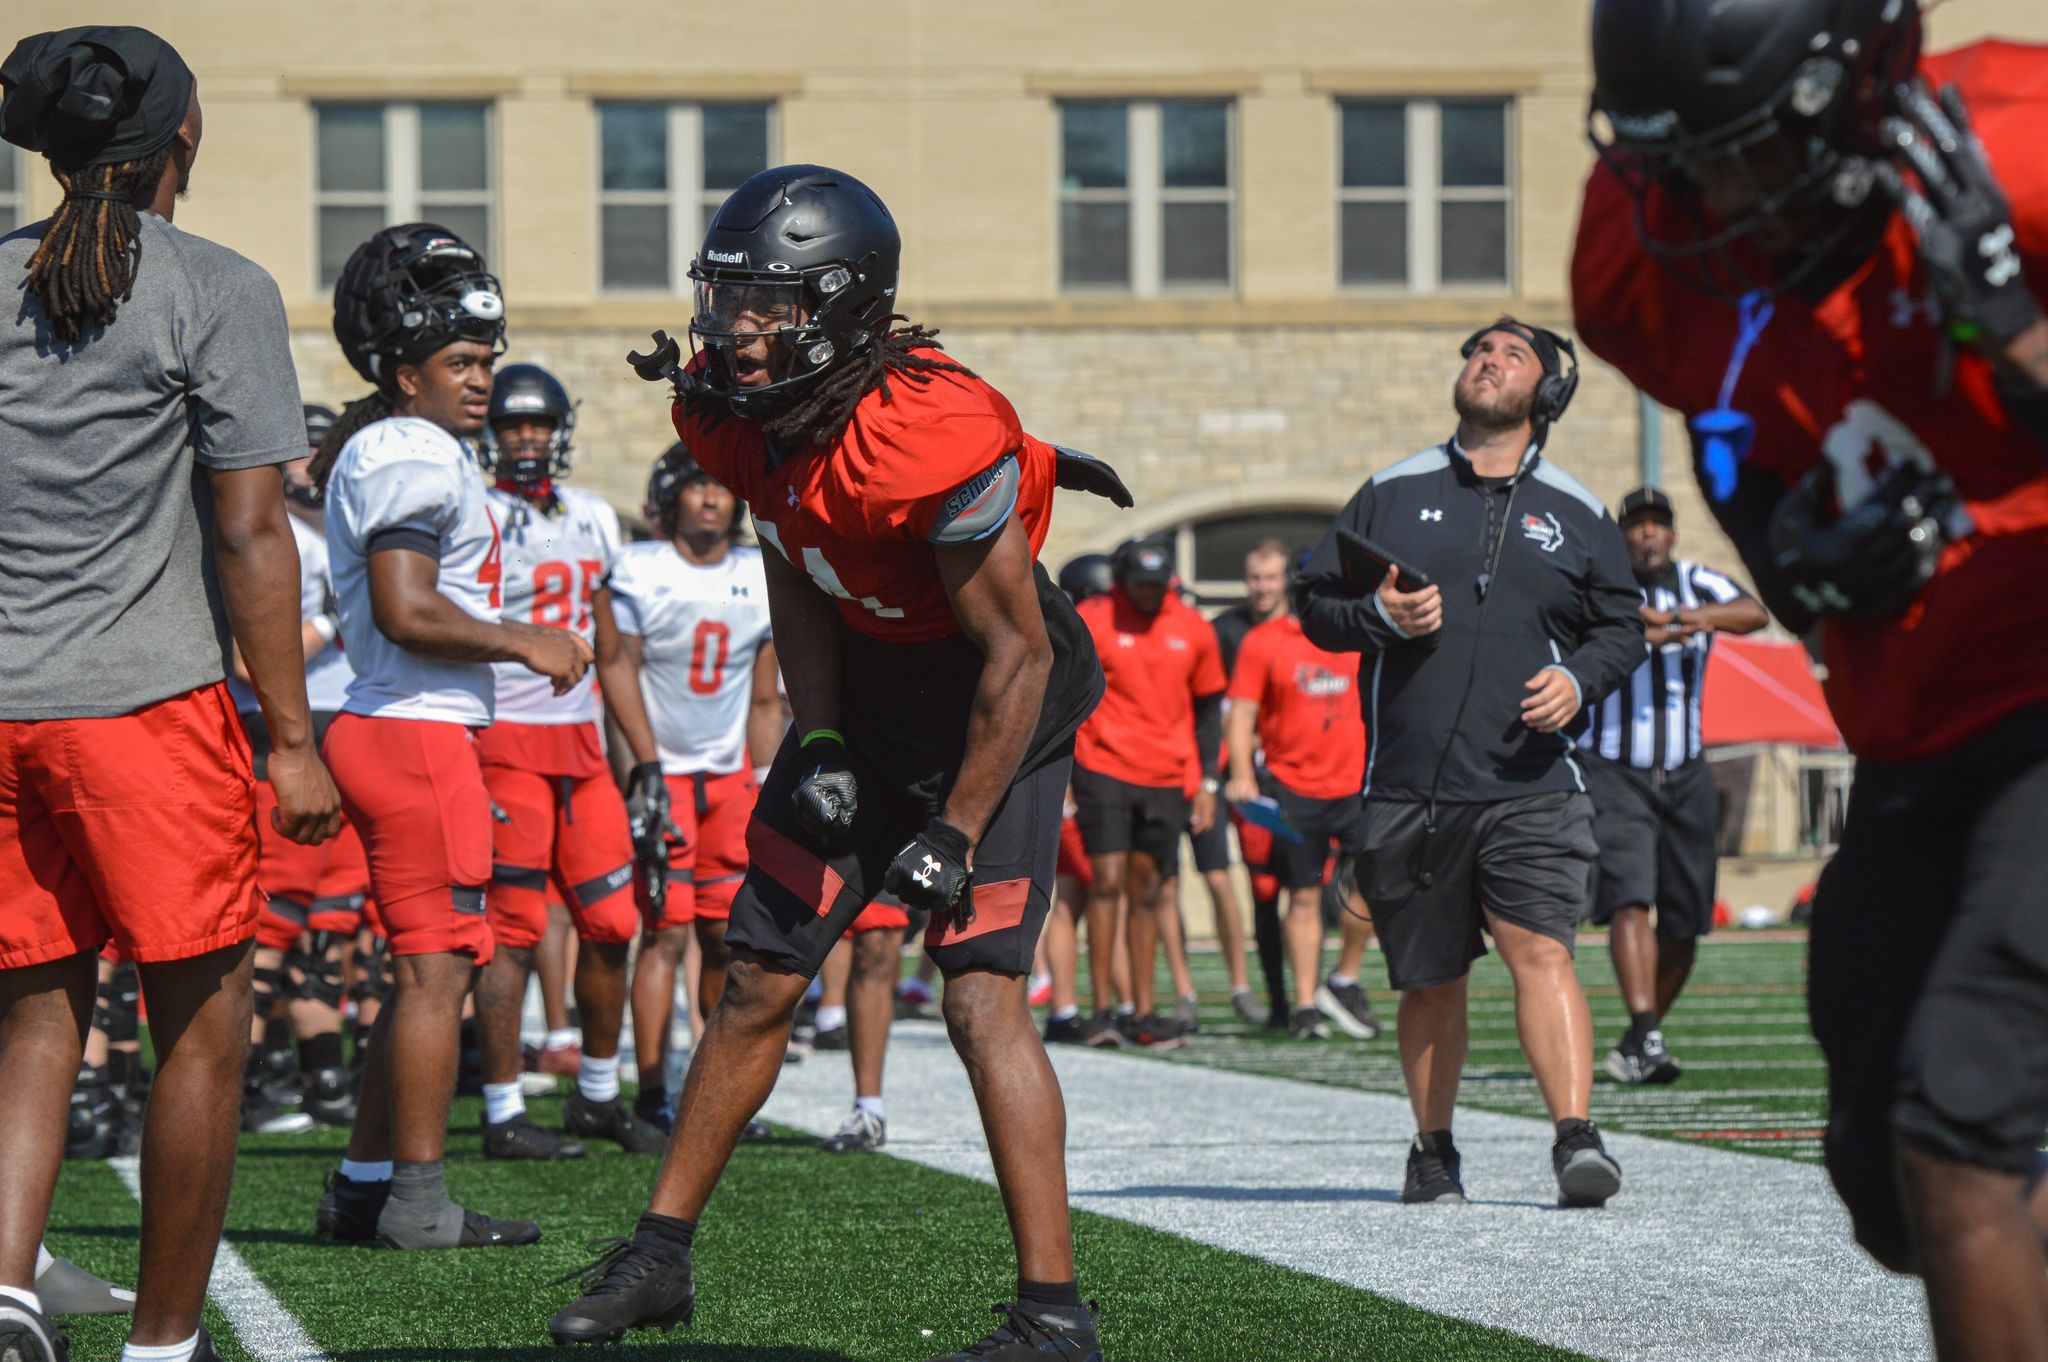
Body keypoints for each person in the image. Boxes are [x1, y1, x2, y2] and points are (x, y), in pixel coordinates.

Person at [547, 164, 1120, 1360]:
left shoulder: (929, 433)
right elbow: (795, 570)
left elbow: (1013, 658)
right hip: (863, 699)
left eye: (773, 306)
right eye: (730, 300)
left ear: (846, 307)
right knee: (757, 974)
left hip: (994, 715)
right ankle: (656, 1260)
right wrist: (813, 733)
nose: (738, 332)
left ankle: (1054, 1316)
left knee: (975, 996)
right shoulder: (730, 410)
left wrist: (951, 836)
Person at [1576, 3, 2048, 1353]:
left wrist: (2017, 341)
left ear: (1858, 87)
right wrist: (1801, 557)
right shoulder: (1646, 242)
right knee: (1886, 1183)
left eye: (1750, 154)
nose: (1716, 203)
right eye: (1688, 165)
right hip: (1921, 724)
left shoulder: (2021, 152)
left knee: (1957, 1128)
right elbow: (1751, 451)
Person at [0, 27, 342, 1362]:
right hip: (145, 706)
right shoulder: (217, 286)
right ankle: (163, 1341)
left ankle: (8, 1291)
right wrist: (295, 740)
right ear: (181, 137)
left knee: (34, 1018)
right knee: (203, 1025)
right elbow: (255, 534)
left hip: (3, 707)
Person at [1294, 318, 1644, 1209]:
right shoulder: (1391, 490)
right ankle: (1433, 1151)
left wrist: (1578, 678)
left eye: (1511, 355)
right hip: (1409, 789)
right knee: (1430, 978)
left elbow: (1623, 630)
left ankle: (1576, 1140)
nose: (1488, 362)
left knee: (1542, 949)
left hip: (1531, 781)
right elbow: (1315, 602)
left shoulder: (1578, 510)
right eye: (1479, 351)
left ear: (1547, 396)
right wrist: (1377, 618)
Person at [309, 223, 591, 1250]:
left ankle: (365, 1184)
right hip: (413, 735)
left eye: (485, 361)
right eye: (461, 363)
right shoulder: (412, 449)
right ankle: (417, 1203)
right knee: (439, 971)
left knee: (422, 970)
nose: (482, 381)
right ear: (404, 371)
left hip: (403, 728)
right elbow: (403, 604)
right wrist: (524, 639)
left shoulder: (398, 444)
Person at [469, 362, 661, 1162]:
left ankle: (595, 1093)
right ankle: (504, 1106)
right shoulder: (472, 508)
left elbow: (612, 651)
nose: (526, 439)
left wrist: (644, 757)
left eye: (538, 426)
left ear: (560, 432)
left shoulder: (591, 517)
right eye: (513, 426)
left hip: (581, 745)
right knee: (512, 930)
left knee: (615, 922)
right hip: (505, 737)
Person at [596, 443, 780, 1134]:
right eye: (697, 485)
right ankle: (651, 1093)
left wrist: (765, 784)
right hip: (664, 770)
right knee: (663, 935)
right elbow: (619, 677)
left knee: (726, 938)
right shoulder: (640, 569)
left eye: (721, 487)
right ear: (670, 495)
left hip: (728, 774)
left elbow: (765, 702)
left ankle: (711, 1088)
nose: (711, 498)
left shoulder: (758, 574)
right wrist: (641, 773)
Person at [1578, 488, 1766, 1084]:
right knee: (1630, 897)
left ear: (1674, 533)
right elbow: (1585, 626)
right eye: (1636, 526)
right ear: (1621, 535)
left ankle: (1641, 1035)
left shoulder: (1697, 582)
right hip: (1613, 767)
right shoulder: (1601, 584)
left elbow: (1754, 614)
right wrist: (1649, 630)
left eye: (1658, 524)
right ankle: (1646, 1029)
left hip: (1686, 770)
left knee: (1686, 920)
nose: (1648, 535)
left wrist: (1688, 619)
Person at [232, 402, 369, 1134]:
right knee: (274, 918)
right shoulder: (275, 537)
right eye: (304, 452)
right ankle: (249, 1082)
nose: (313, 469)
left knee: (330, 925)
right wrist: (341, 620)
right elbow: (246, 661)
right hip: (282, 736)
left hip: (341, 732)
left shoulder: (335, 538)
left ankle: (318, 1075)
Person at [1071, 538, 1226, 1050]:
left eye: (1157, 586)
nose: (1149, 594)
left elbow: (1208, 710)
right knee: (1106, 882)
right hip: (1104, 766)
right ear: (1121, 580)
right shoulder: (1095, 618)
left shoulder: (1192, 627)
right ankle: (1099, 1012)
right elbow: (1065, 690)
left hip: (1166, 773)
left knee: (1147, 889)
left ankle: (1142, 1009)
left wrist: (1207, 782)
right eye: (1140, 584)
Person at [1222, 572, 1379, 1043]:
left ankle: (1344, 978)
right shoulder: (1265, 640)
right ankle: (1306, 1004)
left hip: (1355, 784)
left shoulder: (1360, 638)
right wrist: (1242, 774)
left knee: (1373, 881)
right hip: (1294, 786)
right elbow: (1243, 709)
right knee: (1304, 894)